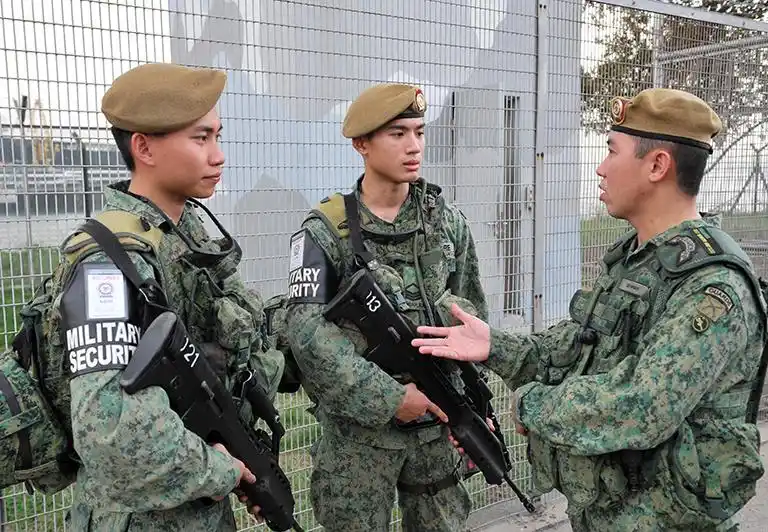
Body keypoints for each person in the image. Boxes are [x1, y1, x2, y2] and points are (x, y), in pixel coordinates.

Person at [411, 88, 768, 531]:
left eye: (611, 152)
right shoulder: (639, 258)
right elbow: (577, 344)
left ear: (657, 165)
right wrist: (493, 345)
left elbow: (642, 406)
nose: (601, 169)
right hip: (613, 511)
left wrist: (532, 406)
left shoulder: (713, 286)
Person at [41, 63, 285, 531]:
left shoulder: (183, 233)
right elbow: (111, 430)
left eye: (218, 135)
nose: (219, 156)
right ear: (144, 147)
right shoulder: (107, 263)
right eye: (201, 139)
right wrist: (221, 469)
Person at [283, 83, 489, 531]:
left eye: (418, 132)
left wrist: (474, 408)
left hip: (437, 428)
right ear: (361, 144)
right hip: (359, 438)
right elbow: (307, 336)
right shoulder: (325, 231)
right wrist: (391, 398)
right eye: (397, 134)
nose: (414, 146)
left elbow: (474, 320)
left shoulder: (447, 223)